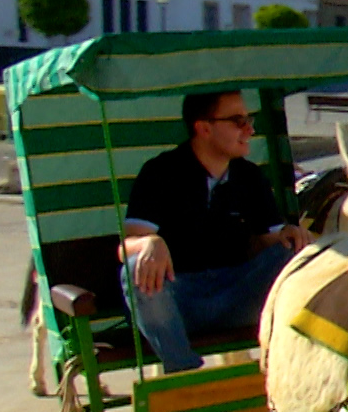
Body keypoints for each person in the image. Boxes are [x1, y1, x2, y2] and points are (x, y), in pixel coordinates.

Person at [121, 90, 311, 372]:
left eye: (249, 119)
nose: (250, 129)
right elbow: (127, 244)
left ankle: (295, 366)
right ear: (204, 128)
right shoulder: (160, 173)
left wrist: (288, 235)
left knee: (296, 256)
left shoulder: (249, 176)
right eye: (238, 121)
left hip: (236, 294)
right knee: (134, 267)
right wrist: (148, 242)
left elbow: (268, 239)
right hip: (179, 302)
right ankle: (184, 372)